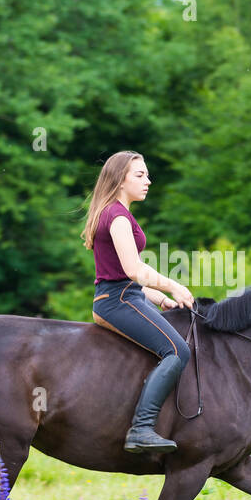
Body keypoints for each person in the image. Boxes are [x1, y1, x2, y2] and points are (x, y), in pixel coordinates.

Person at [82, 150, 195, 453]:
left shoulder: (116, 213)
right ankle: (142, 428)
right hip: (117, 302)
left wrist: (159, 299)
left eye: (146, 175)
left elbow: (118, 275)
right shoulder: (117, 217)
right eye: (140, 175)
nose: (148, 181)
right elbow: (133, 270)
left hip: (123, 296)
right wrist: (173, 286)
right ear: (120, 180)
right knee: (176, 351)